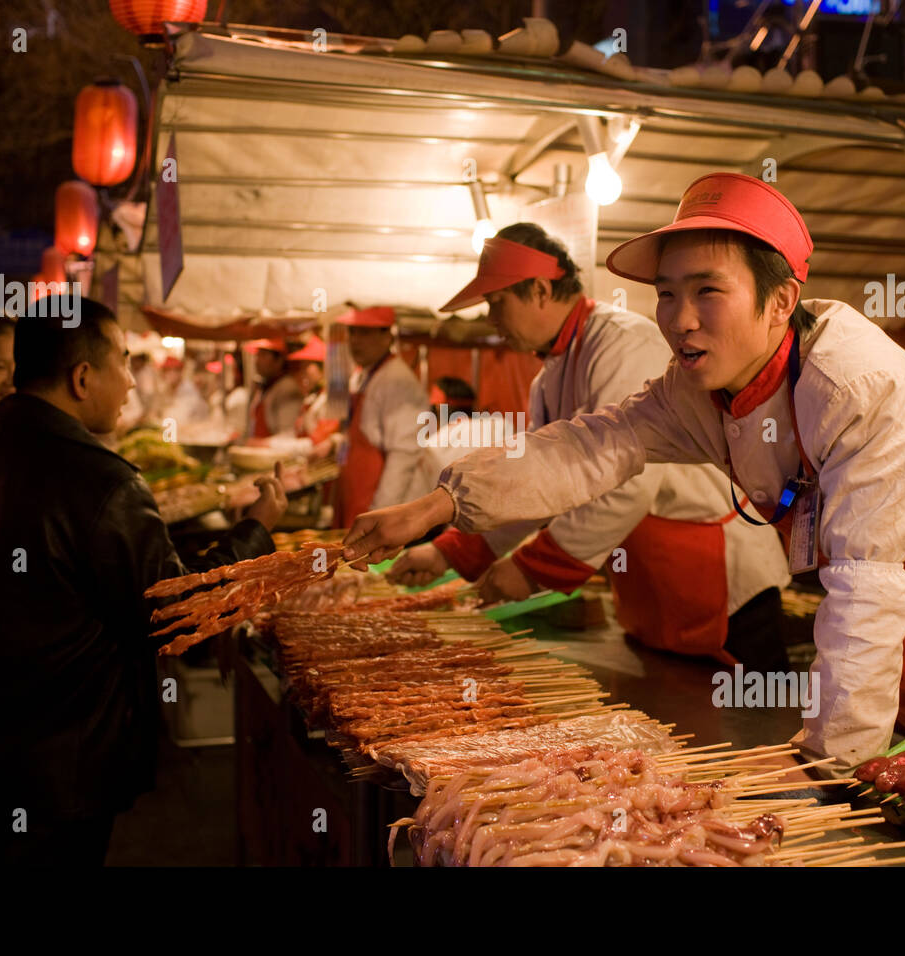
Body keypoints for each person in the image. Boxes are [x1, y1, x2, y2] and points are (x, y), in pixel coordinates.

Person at [343, 173, 905, 772]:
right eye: (667, 294)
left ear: (780, 302)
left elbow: (865, 585)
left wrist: (832, 763)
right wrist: (441, 505)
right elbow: (593, 447)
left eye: (707, 291)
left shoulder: (862, 390)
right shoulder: (698, 388)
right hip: (895, 627)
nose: (680, 319)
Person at [0, 298, 288, 866]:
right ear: (83, 377)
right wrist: (255, 531)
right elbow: (179, 615)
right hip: (56, 779)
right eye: (125, 363)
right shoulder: (105, 483)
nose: (132, 382)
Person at [389, 224, 792, 668]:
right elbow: (544, 485)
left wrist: (532, 567)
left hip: (720, 571)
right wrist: (453, 549)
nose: (490, 318)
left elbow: (626, 481)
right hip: (650, 569)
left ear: (541, 290)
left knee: (745, 718)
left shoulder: (621, 341)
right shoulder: (547, 378)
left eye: (496, 302)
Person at [332, 306, 431, 527]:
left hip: (374, 502)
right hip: (354, 495)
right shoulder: (364, 375)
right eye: (353, 332)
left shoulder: (398, 380)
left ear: (387, 336)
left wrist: (381, 516)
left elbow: (404, 454)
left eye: (365, 333)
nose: (355, 341)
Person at [247, 337, 301, 438]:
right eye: (257, 355)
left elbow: (287, 434)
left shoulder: (287, 388)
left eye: (263, 355)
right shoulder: (265, 387)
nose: (257, 361)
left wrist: (261, 445)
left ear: (279, 360)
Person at [287, 334, 337, 443]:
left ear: (322, 368)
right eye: (302, 366)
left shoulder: (330, 400)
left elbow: (319, 440)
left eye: (307, 365)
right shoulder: (313, 397)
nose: (303, 372)